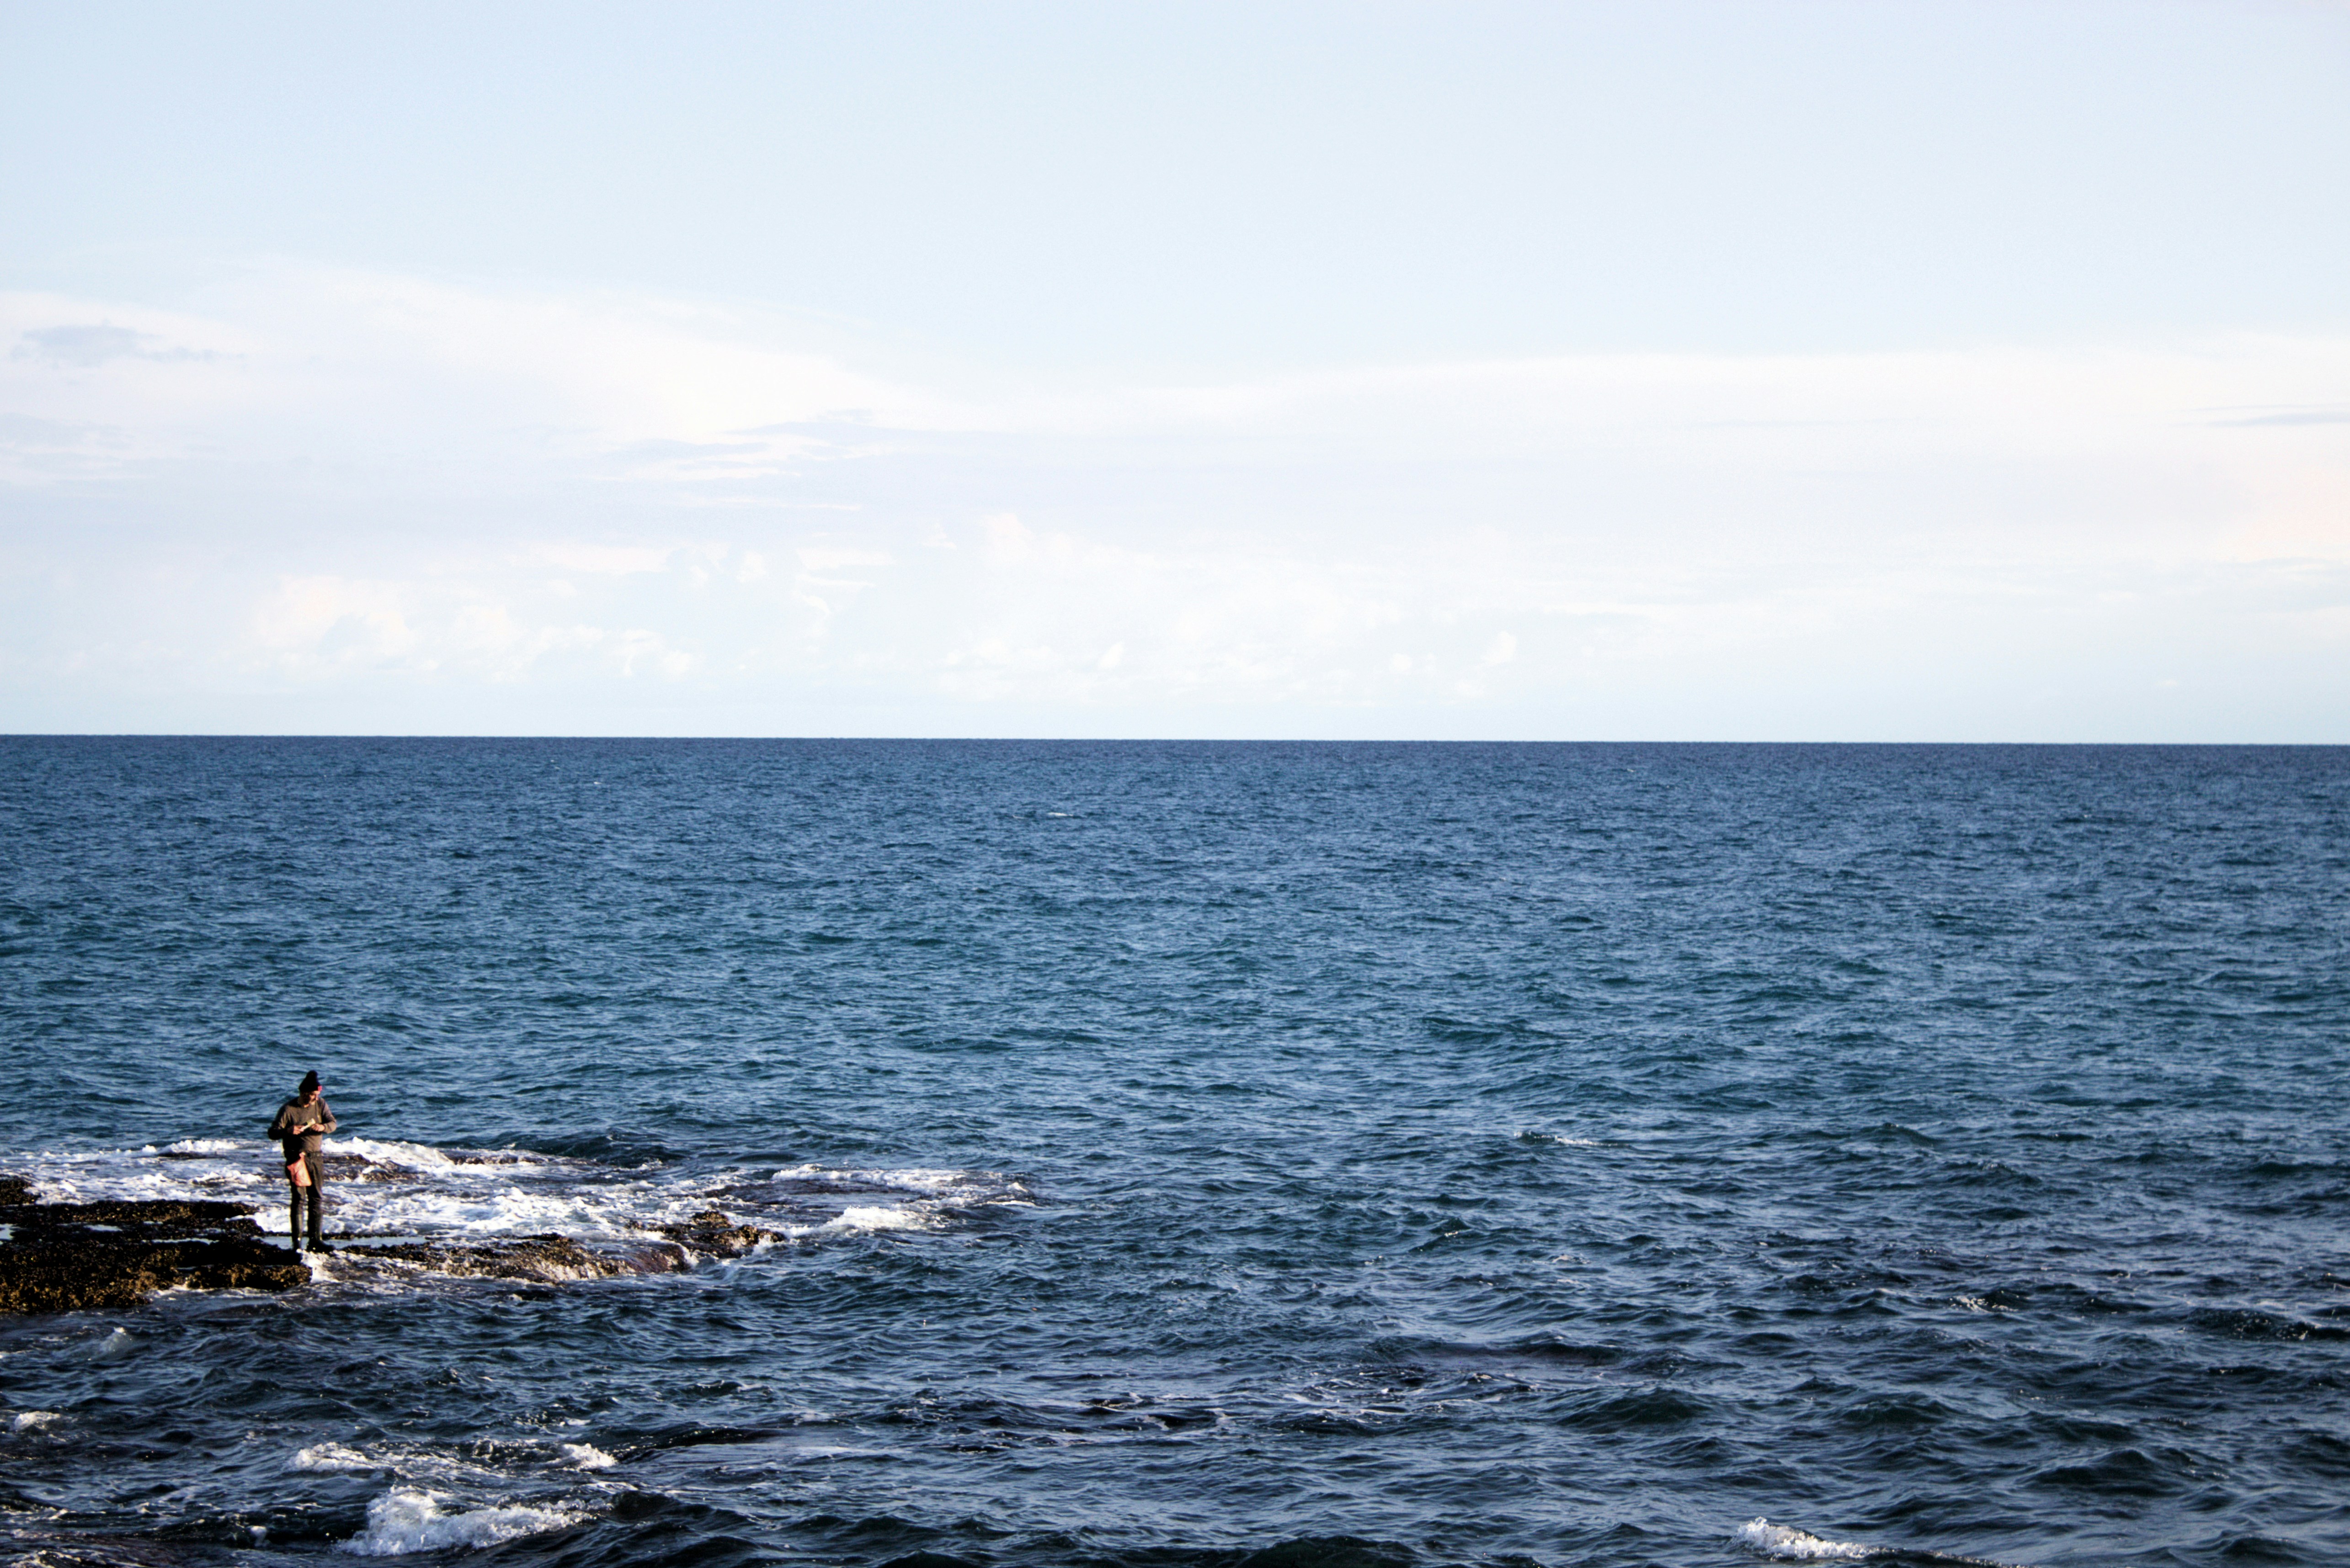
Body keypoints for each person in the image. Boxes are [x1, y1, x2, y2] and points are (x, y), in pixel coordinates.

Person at [267, 1070, 337, 1253]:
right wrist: (288, 1131)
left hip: (316, 1157)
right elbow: (272, 1132)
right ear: (304, 1093)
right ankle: (296, 1244)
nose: (315, 1099)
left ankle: (316, 1241)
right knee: (299, 1199)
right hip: (296, 1158)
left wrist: (323, 1127)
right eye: (312, 1095)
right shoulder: (288, 1109)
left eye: (317, 1095)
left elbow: (333, 1123)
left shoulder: (321, 1104)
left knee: (317, 1198)